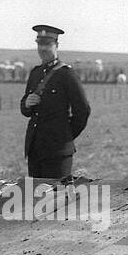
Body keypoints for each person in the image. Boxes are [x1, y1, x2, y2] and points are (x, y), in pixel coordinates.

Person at [20, 24, 90, 180]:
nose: (43, 49)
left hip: (57, 152)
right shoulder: (36, 73)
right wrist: (26, 104)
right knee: (36, 200)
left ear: (56, 45)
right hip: (35, 149)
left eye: (47, 44)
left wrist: (64, 137)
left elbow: (83, 110)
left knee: (57, 200)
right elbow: (26, 109)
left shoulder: (66, 74)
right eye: (40, 44)